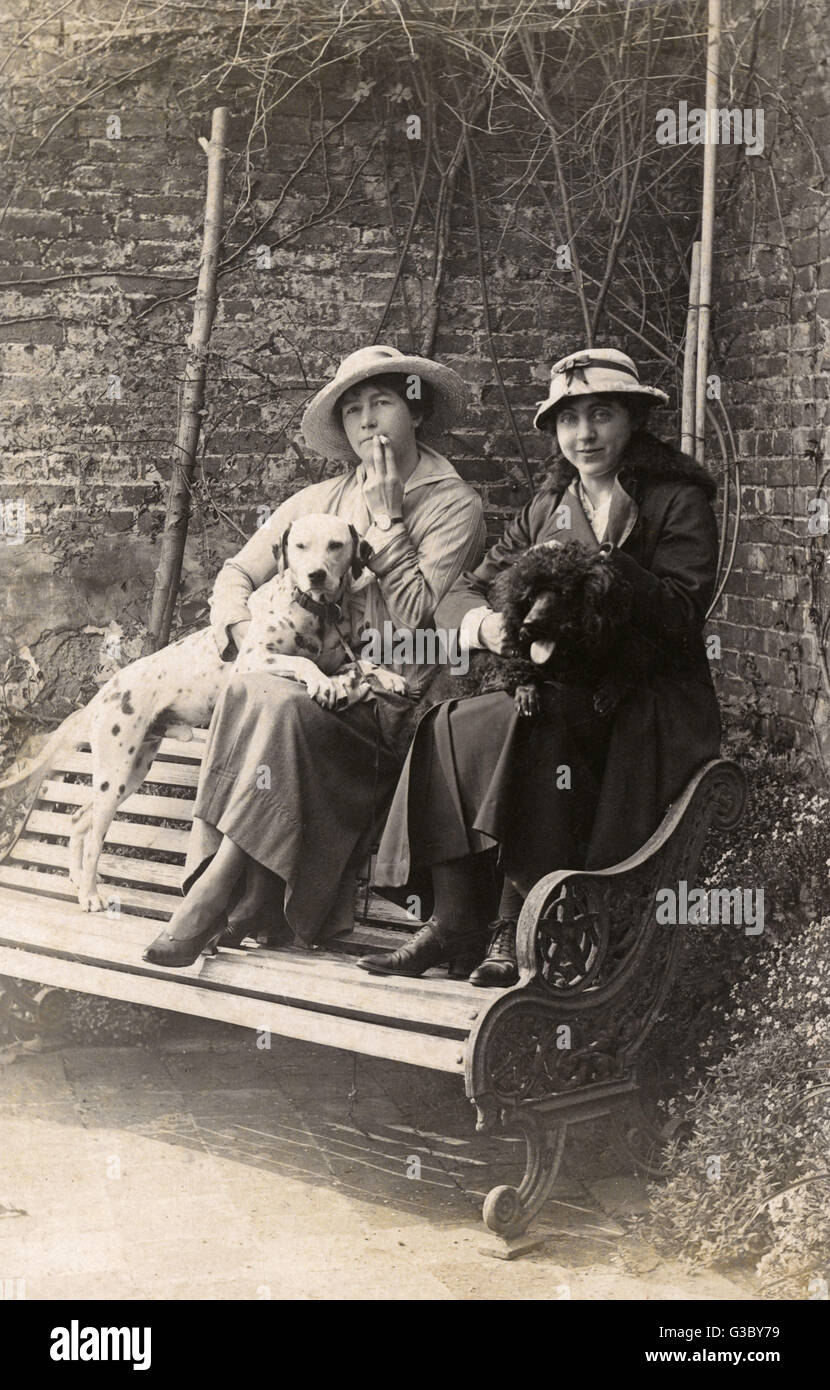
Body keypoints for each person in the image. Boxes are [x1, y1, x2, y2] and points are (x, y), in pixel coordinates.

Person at [358, 348, 722, 986]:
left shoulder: (675, 499)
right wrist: (488, 624)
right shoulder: (550, 504)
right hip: (559, 687)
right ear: (554, 432)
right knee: (452, 720)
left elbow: (681, 615)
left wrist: (610, 566)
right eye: (568, 420)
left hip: (642, 695)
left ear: (632, 420)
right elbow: (463, 592)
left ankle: (516, 922)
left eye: (601, 415)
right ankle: (452, 921)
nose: (584, 435)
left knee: (533, 725)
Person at [143, 345, 485, 966]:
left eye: (381, 402)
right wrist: (244, 632)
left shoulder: (453, 504)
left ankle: (215, 893)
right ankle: (232, 893)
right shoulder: (318, 500)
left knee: (268, 697)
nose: (366, 420)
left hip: (391, 711)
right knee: (256, 687)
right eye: (352, 409)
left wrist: (385, 524)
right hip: (309, 701)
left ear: (415, 409)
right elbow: (234, 574)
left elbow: (414, 617)